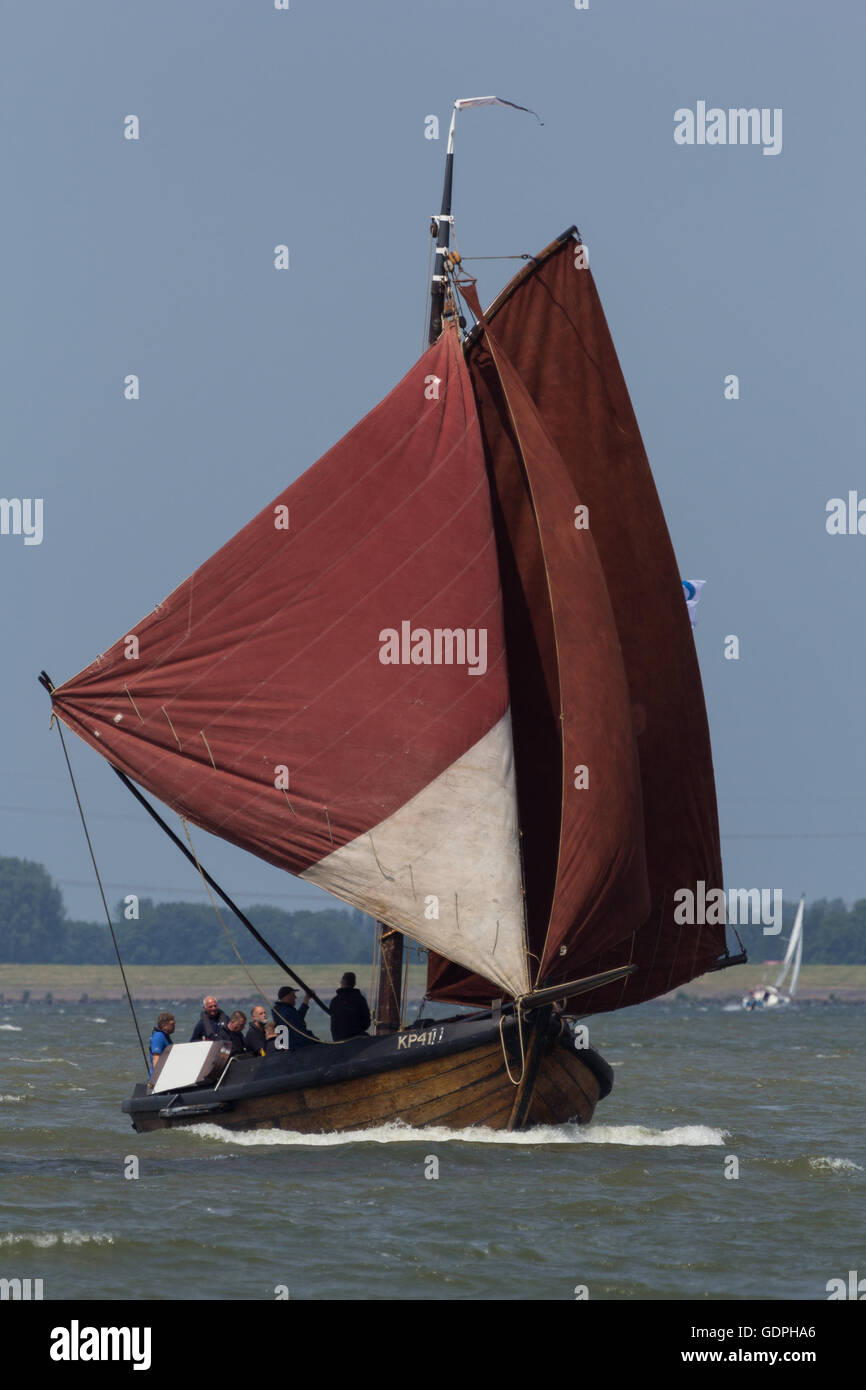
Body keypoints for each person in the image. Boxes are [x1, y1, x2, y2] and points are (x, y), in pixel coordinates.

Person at [328, 972, 371, 1041]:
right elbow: (367, 1022)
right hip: (358, 1038)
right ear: (354, 984)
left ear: (342, 982)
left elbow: (334, 1024)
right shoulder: (360, 999)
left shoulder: (335, 1001)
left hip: (339, 1039)